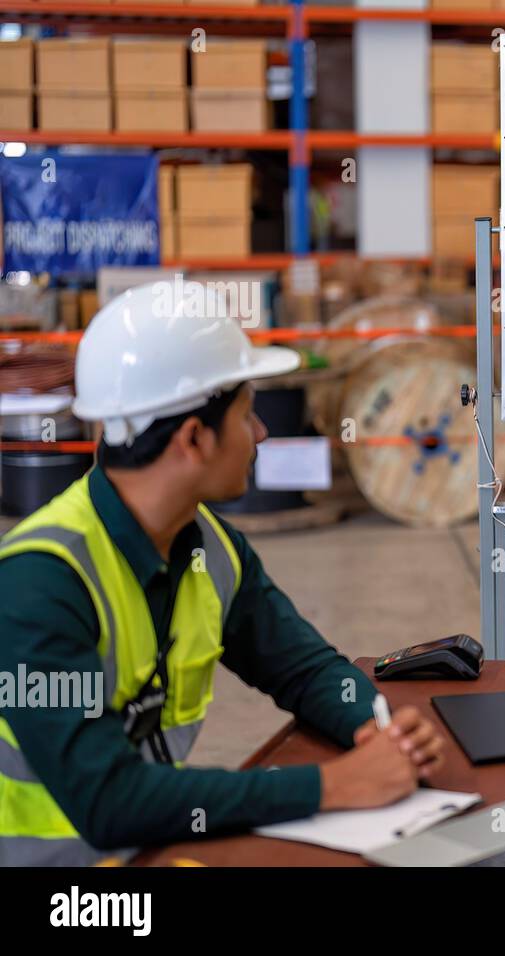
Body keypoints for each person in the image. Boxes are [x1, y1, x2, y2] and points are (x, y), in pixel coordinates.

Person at [0, 285, 446, 866]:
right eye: (245, 414)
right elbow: (106, 801)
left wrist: (375, 726)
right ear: (193, 438)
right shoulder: (38, 583)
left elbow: (305, 670)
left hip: (146, 846)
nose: (260, 433)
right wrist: (336, 786)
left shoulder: (209, 545)